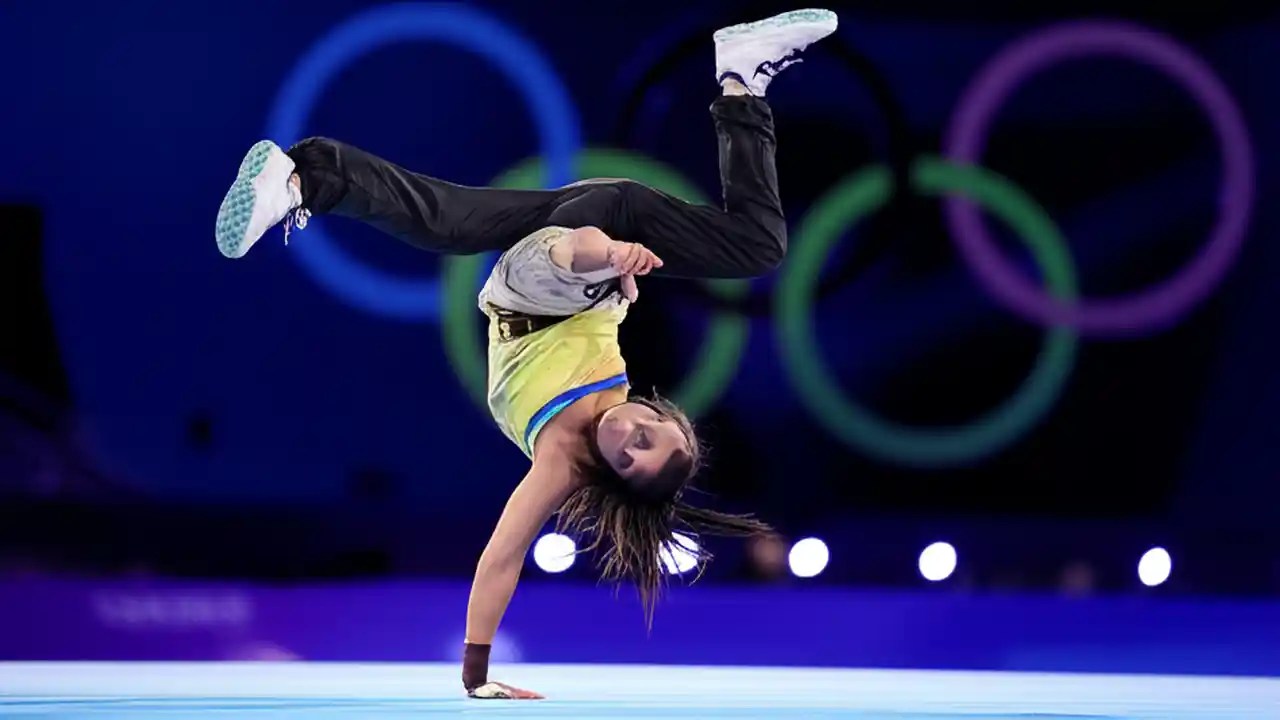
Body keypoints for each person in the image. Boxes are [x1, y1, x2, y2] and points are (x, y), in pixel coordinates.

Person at [214, 8, 838, 699]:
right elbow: (577, 257)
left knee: (446, 221)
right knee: (755, 248)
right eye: (650, 430)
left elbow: (502, 557)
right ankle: (741, 82)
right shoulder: (611, 391)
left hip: (546, 271)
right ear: (662, 413)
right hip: (582, 253)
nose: (629, 436)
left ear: (614, 476)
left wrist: (477, 677)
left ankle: (302, 176)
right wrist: (614, 257)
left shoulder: (561, 464)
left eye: (630, 458)